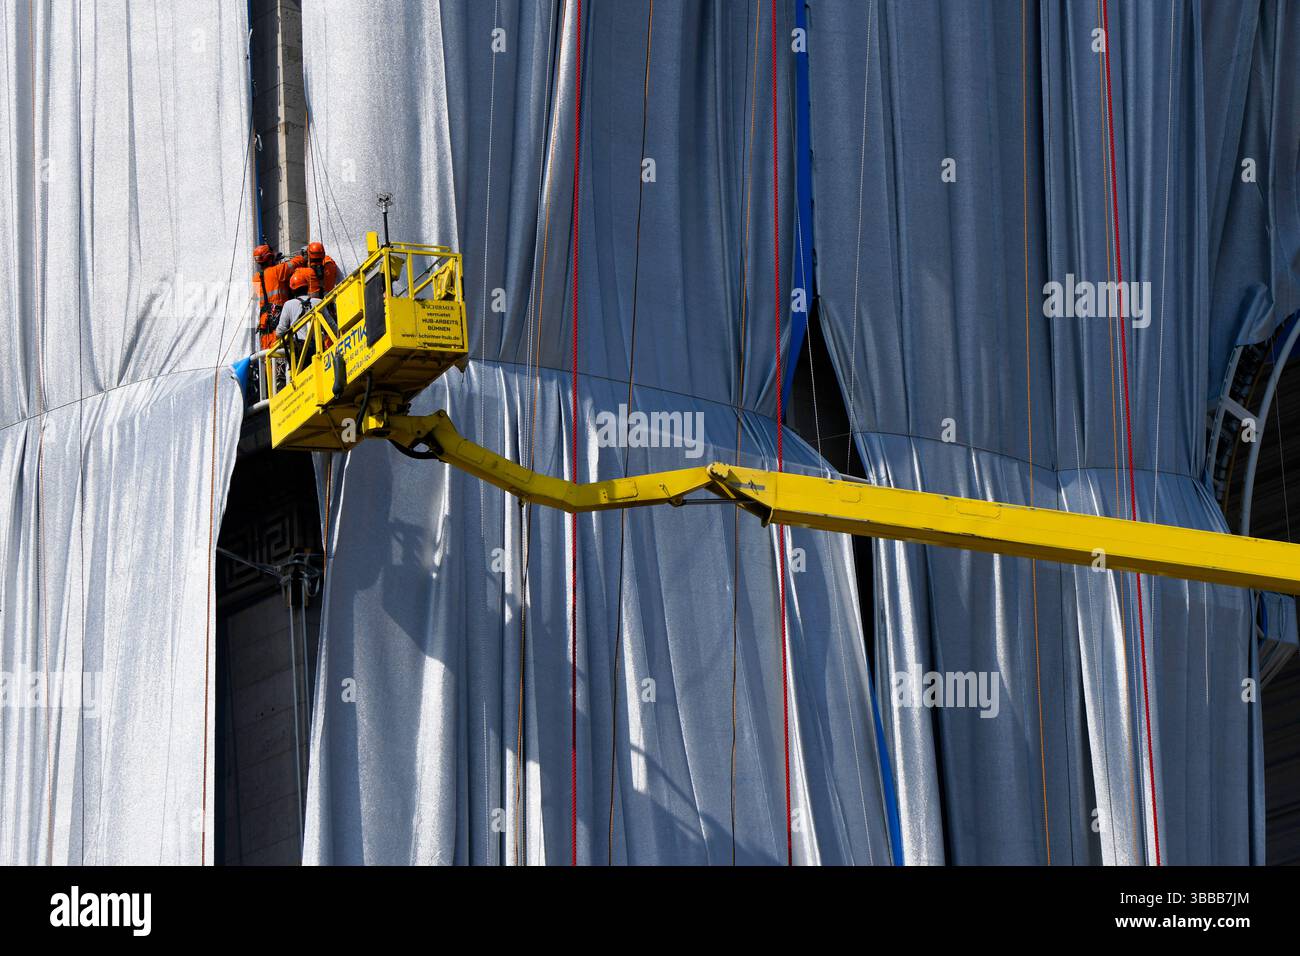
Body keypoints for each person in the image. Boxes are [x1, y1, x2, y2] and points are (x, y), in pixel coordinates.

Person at [275, 267, 323, 370]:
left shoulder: (288, 304)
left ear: (292, 290)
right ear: (307, 287)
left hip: (300, 350)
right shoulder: (318, 302)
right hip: (318, 347)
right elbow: (331, 324)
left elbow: (280, 331)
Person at [252, 244, 296, 350]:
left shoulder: (256, 278)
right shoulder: (278, 270)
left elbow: (259, 294)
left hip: (265, 321)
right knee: (283, 350)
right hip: (279, 317)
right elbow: (296, 262)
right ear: (269, 258)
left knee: (269, 356)